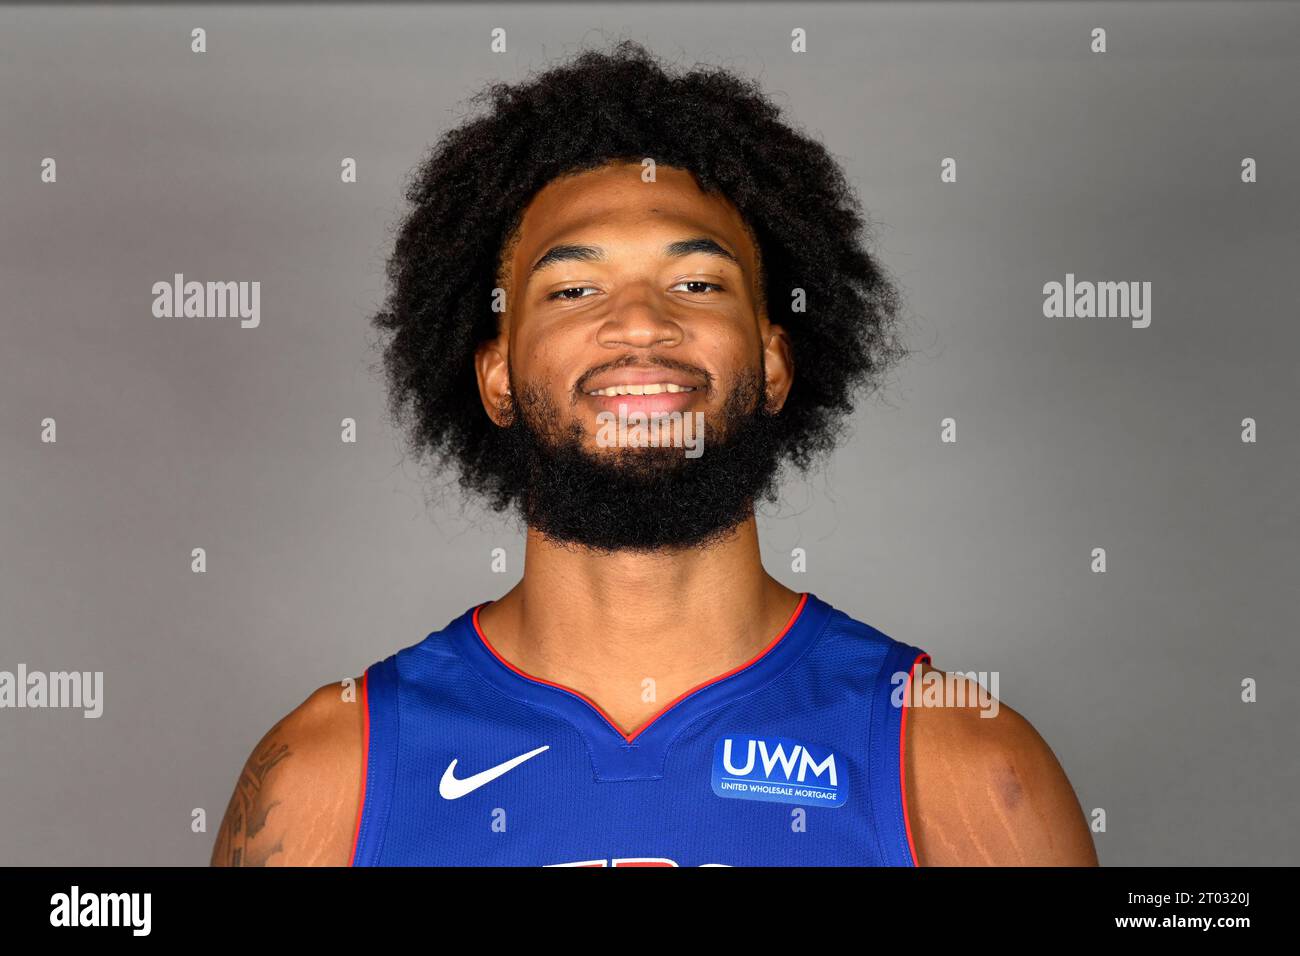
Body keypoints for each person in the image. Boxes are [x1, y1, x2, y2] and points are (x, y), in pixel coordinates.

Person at [211, 41, 1097, 867]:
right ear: (496, 378)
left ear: (776, 361)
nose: (640, 322)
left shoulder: (962, 766)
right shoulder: (331, 777)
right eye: (574, 287)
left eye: (697, 283)